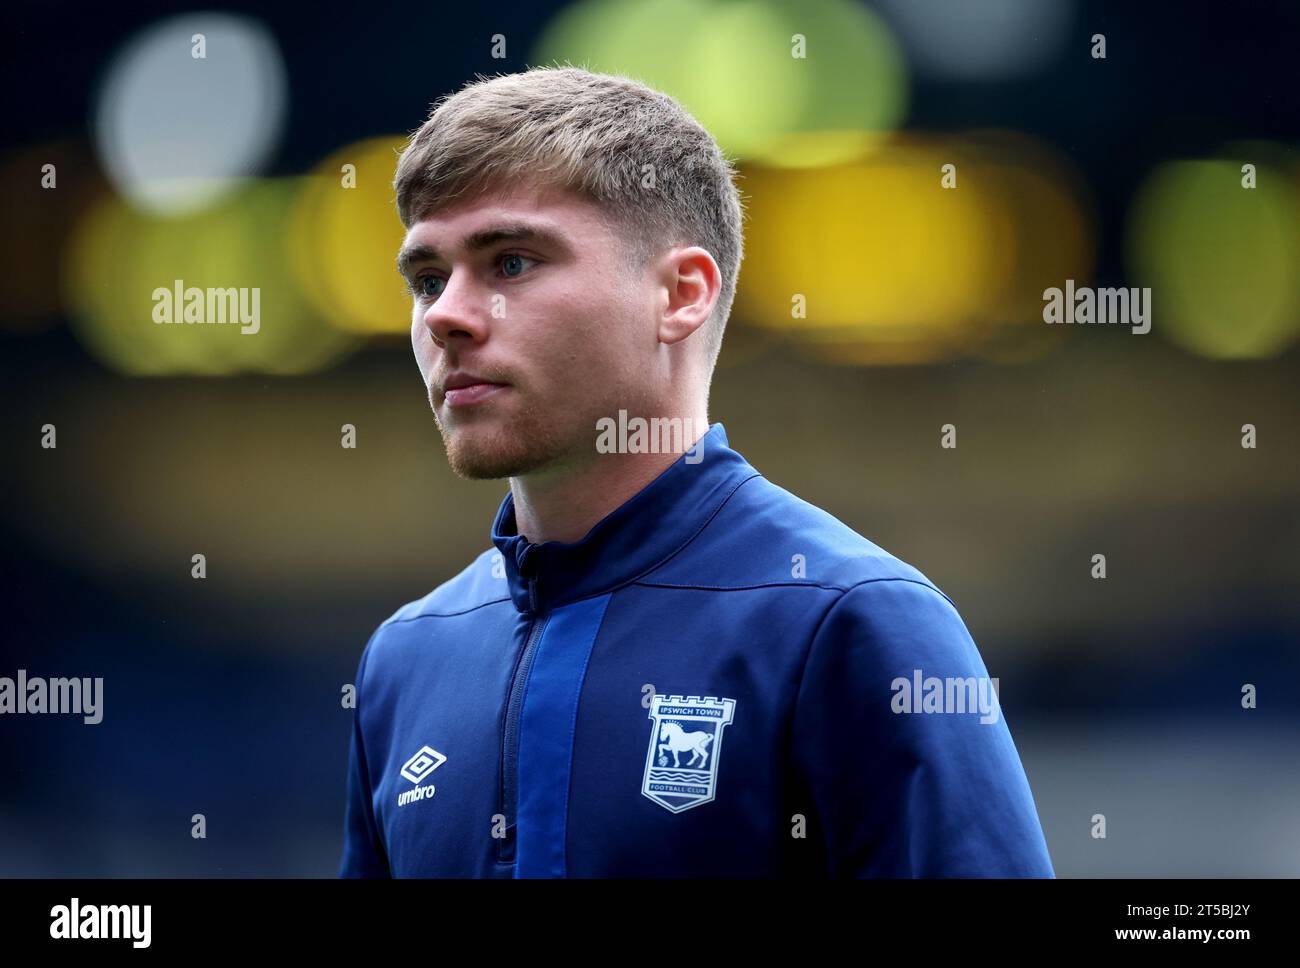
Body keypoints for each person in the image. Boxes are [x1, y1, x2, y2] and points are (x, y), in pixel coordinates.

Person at [339, 65, 1054, 878]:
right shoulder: (404, 659)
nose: (446, 316)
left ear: (680, 294)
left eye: (510, 263)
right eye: (427, 279)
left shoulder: (854, 626)